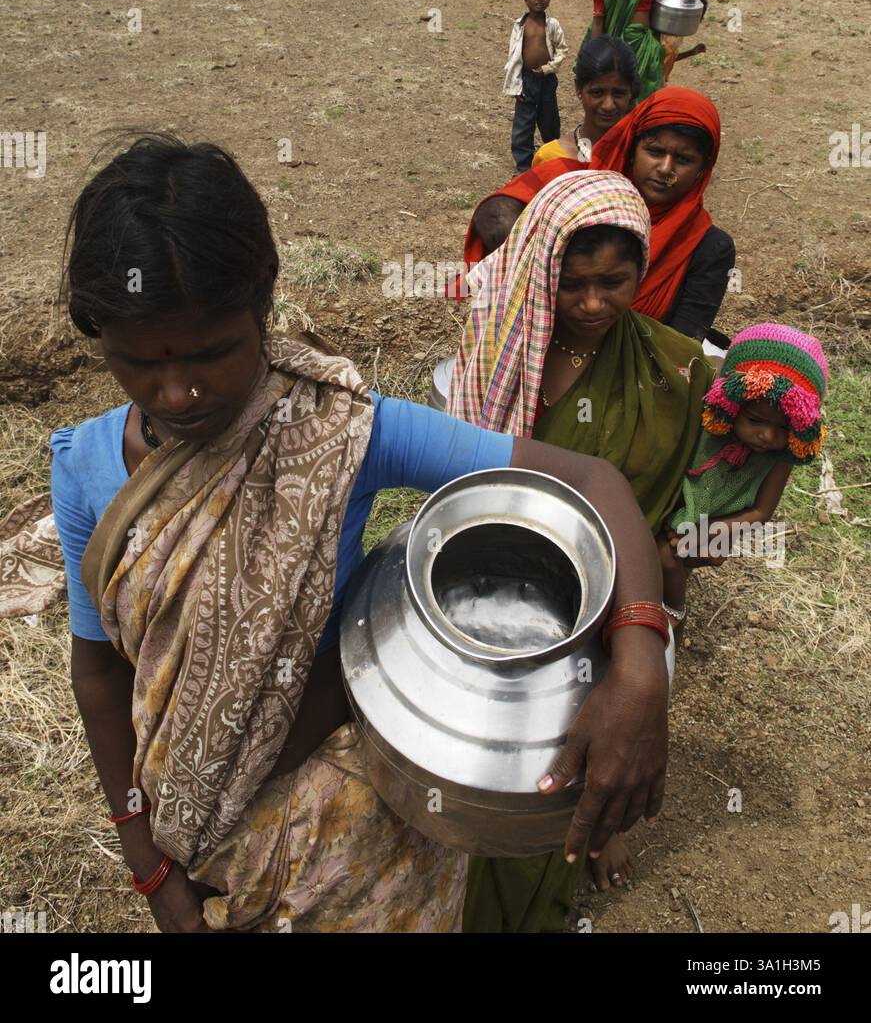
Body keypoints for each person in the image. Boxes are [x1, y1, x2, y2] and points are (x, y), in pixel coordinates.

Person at [35, 134, 671, 935]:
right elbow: (97, 674)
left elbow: (590, 482)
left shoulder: (345, 432)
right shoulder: (85, 468)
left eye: (213, 353)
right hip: (190, 833)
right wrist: (148, 864)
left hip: (362, 817)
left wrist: (641, 668)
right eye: (136, 363)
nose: (178, 390)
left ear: (262, 309)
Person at [446, 169, 713, 929]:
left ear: (644, 271)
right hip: (503, 601)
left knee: (569, 777)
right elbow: (467, 471)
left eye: (616, 281)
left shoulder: (675, 370)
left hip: (615, 606)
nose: (594, 304)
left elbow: (693, 494)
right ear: (539, 271)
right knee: (489, 769)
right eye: (574, 284)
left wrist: (695, 543)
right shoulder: (498, 339)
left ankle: (574, 855)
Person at [457, 88, 735, 343]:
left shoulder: (708, 248)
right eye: (654, 151)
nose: (665, 168)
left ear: (703, 169)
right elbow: (493, 214)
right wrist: (546, 269)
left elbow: (680, 348)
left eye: (684, 159)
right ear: (632, 147)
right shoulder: (577, 183)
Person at [658, 324, 827, 620]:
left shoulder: (781, 457)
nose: (767, 436)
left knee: (679, 559)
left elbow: (762, 511)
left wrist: (713, 532)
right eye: (755, 420)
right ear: (732, 404)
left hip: (726, 521)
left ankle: (673, 614)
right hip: (675, 508)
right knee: (663, 556)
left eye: (784, 428)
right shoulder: (706, 422)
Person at [532, 36, 638, 166]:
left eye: (618, 93)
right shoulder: (551, 159)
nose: (608, 105)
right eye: (597, 93)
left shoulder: (638, 159)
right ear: (578, 88)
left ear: (631, 91)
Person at [504, 0, 568, 172]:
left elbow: (562, 50)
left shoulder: (553, 25)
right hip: (526, 81)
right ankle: (523, 168)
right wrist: (515, 86)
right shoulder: (519, 25)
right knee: (523, 127)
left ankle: (553, 163)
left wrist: (548, 68)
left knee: (550, 122)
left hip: (547, 81)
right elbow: (513, 58)